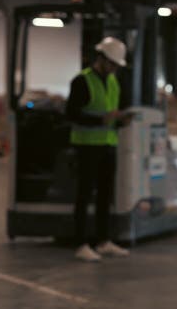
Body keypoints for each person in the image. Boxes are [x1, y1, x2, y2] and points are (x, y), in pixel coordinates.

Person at [66, 37, 133, 262]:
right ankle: (80, 243)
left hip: (107, 145)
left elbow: (111, 112)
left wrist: (120, 120)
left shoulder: (114, 82)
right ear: (101, 59)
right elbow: (72, 114)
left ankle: (103, 241)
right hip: (86, 147)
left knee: (106, 195)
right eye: (112, 63)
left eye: (116, 65)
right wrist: (100, 120)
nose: (114, 68)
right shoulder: (82, 81)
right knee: (84, 196)